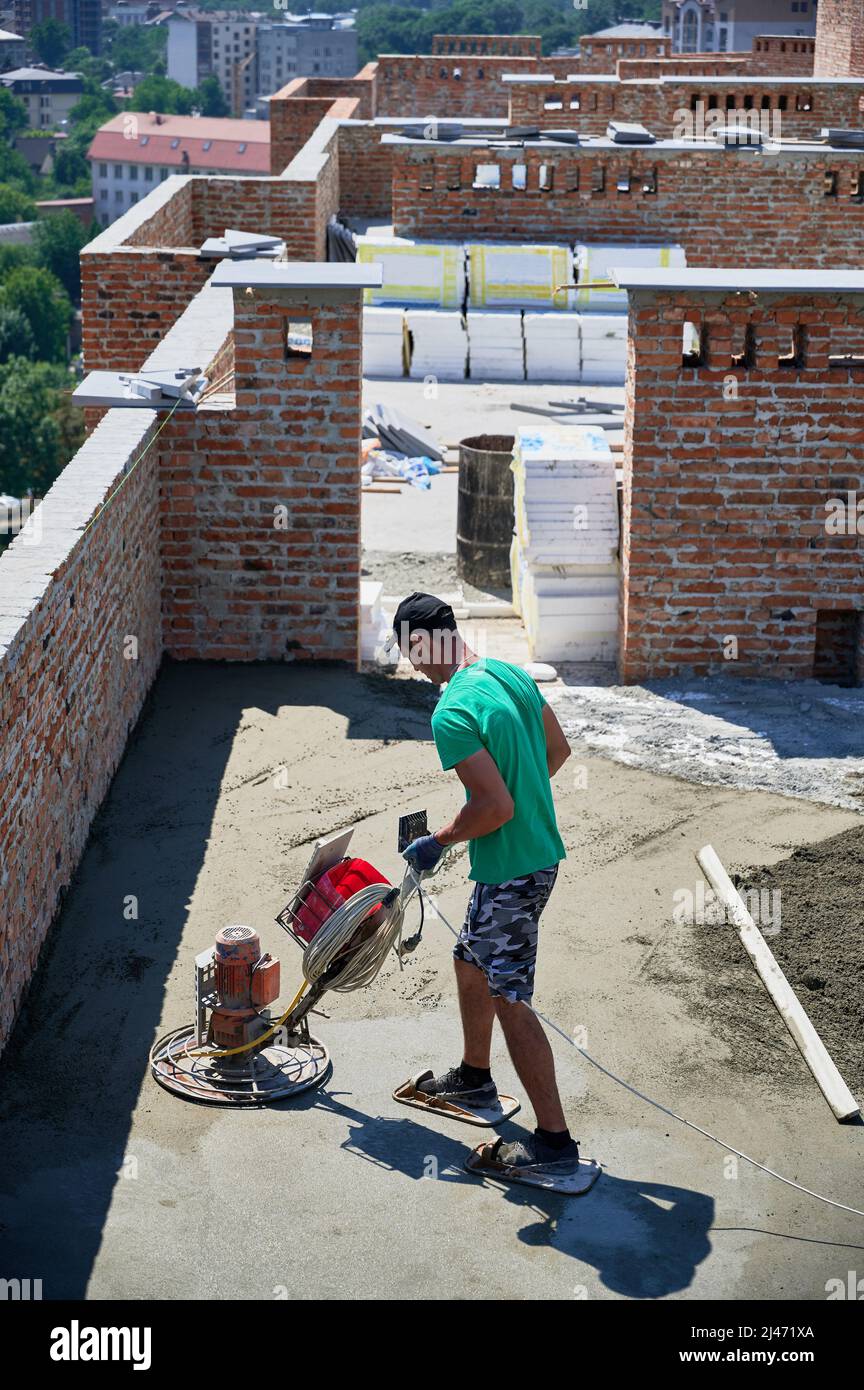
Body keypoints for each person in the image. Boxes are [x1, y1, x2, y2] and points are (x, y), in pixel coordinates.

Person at [394, 590, 582, 1182]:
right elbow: (557, 750)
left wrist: (440, 840)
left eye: (410, 653)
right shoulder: (506, 672)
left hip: (513, 872)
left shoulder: (450, 712)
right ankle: (475, 1079)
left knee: (510, 997)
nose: (412, 667)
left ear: (423, 642)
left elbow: (493, 806)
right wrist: (512, 801)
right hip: (537, 856)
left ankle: (554, 1143)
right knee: (469, 958)